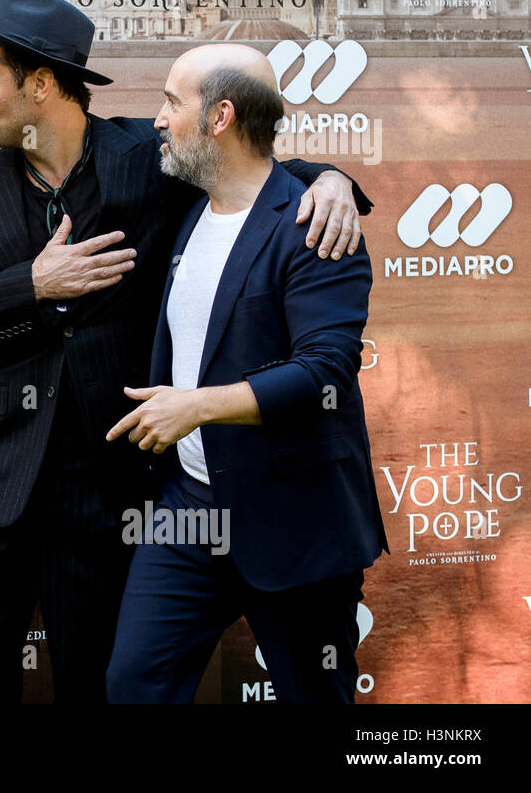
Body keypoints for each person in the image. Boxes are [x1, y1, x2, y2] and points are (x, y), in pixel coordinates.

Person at [0, 0, 371, 703]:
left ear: (40, 84)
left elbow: (249, 173)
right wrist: (28, 286)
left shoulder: (148, 162)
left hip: (105, 496)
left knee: (104, 687)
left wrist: (335, 181)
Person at [104, 43, 387, 703]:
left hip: (296, 520)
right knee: (134, 684)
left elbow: (324, 373)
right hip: (189, 512)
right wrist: (334, 171)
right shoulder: (184, 204)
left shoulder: (315, 226)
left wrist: (196, 406)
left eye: (172, 102)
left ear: (221, 116)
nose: (157, 118)